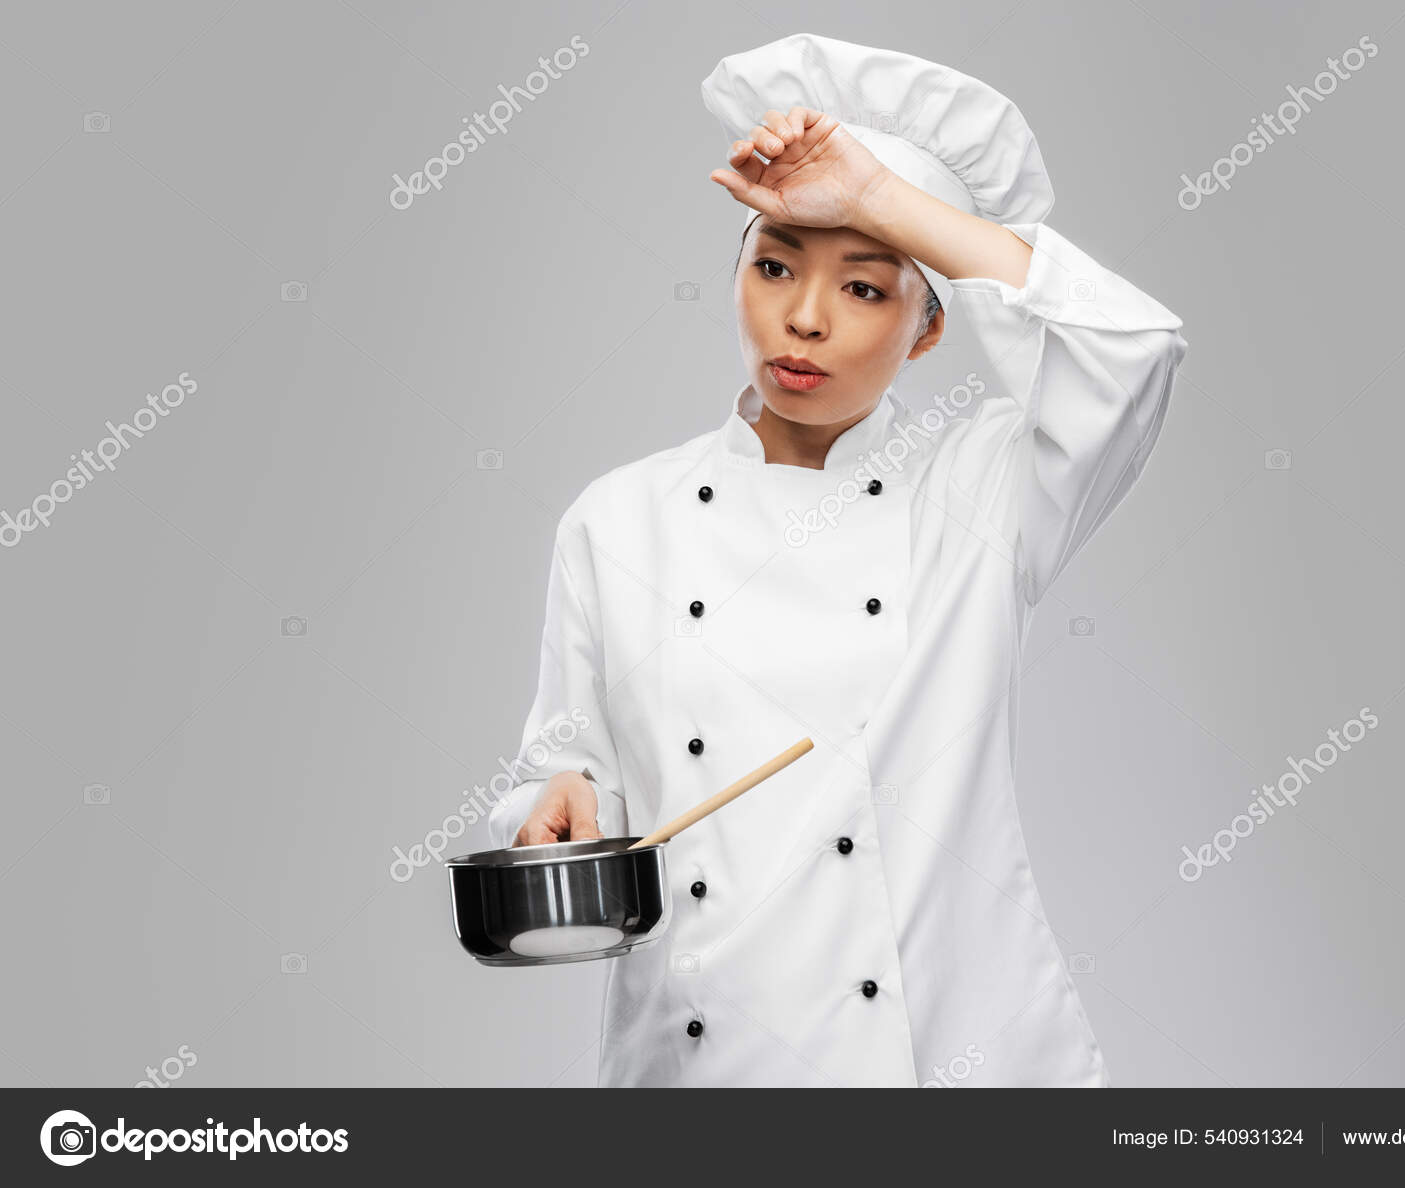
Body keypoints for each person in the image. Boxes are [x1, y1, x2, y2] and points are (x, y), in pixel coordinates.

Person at [486, 32, 1187, 1087]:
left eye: (865, 288)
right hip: (701, 1061)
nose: (802, 320)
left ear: (930, 329)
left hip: (945, 1056)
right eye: (774, 266)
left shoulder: (982, 491)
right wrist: (553, 810)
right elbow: (569, 764)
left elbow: (1135, 352)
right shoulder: (617, 519)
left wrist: (884, 199)